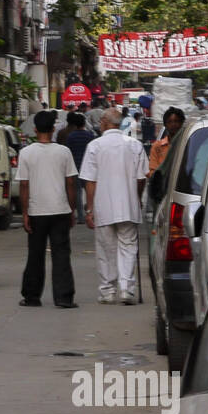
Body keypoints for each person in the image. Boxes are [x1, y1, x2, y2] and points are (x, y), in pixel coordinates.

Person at [79, 107, 149, 304]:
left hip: (103, 206)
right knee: (128, 247)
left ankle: (107, 291)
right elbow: (141, 178)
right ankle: (126, 288)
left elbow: (90, 181)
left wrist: (89, 209)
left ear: (103, 122)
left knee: (106, 249)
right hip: (128, 206)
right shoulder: (134, 145)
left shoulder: (95, 146)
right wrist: (136, 197)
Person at [17, 109, 79, 308]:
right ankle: (64, 297)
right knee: (61, 254)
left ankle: (32, 296)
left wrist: (25, 213)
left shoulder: (26, 153)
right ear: (53, 129)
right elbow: (70, 183)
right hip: (60, 210)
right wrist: (72, 208)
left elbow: (24, 185)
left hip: (37, 211)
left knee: (35, 254)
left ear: (35, 129)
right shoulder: (64, 152)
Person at [61, 111, 95, 221]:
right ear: (84, 124)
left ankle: (80, 216)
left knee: (78, 193)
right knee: (90, 190)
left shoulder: (71, 137)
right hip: (88, 167)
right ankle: (92, 211)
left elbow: (67, 151)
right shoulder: (90, 136)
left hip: (75, 166)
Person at [148, 106, 186, 175]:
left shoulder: (187, 144)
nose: (173, 124)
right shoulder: (157, 146)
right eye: (169, 122)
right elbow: (153, 172)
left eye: (176, 121)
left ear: (181, 123)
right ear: (165, 124)